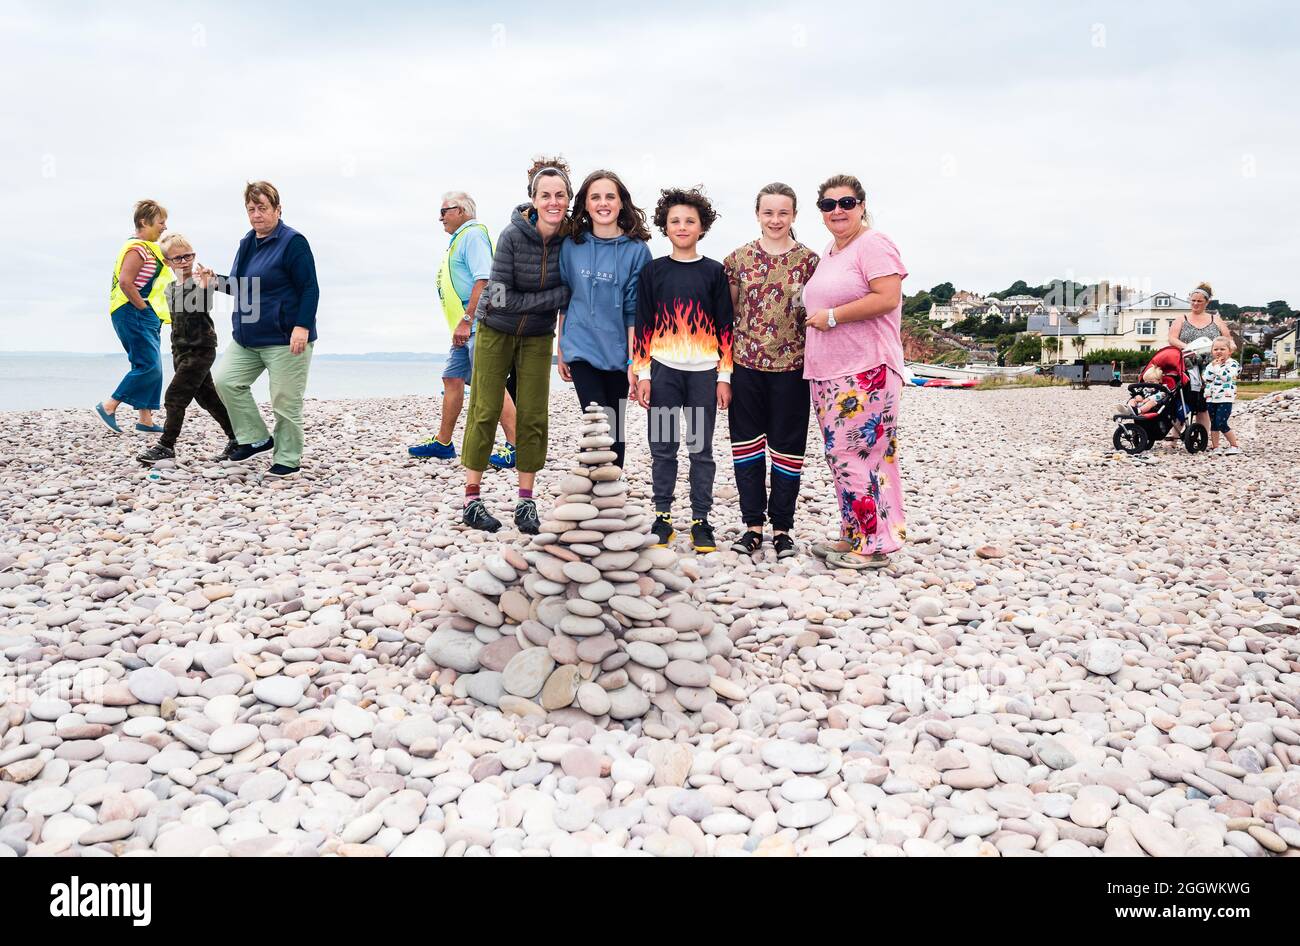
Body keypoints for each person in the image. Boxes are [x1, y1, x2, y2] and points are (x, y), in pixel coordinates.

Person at [460, 157, 573, 533]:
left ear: (568, 199)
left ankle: (526, 502)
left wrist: (553, 299)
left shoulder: (570, 241)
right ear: (533, 198)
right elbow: (499, 297)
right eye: (546, 195)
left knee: (533, 414)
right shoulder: (511, 235)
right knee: (485, 409)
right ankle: (472, 500)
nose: (553, 202)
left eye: (560, 195)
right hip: (496, 329)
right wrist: (555, 296)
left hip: (539, 337)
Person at [803, 174, 908, 570]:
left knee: (857, 452)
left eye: (846, 203)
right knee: (840, 455)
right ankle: (856, 533)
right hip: (830, 372)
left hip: (867, 368)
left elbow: (887, 297)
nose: (837, 211)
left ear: (862, 205)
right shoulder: (831, 251)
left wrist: (832, 316)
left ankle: (875, 544)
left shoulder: (874, 244)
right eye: (828, 205)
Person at [632, 186, 734, 554]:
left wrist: (724, 377)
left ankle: (700, 520)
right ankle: (662, 516)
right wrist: (642, 373)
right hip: (662, 374)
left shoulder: (714, 272)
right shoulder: (653, 271)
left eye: (690, 220)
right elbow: (643, 324)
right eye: (675, 220)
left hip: (704, 375)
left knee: (700, 449)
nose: (682, 226)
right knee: (662, 448)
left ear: (702, 226)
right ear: (665, 226)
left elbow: (726, 328)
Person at [723, 182, 820, 559]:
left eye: (783, 212)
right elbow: (726, 317)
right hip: (746, 366)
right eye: (769, 212)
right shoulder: (738, 260)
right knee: (746, 448)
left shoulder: (810, 262)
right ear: (758, 214)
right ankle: (752, 527)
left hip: (793, 368)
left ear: (794, 215)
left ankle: (782, 528)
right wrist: (722, 372)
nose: (775, 219)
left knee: (787, 451)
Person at [208, 181, 319, 478]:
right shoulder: (246, 243)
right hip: (247, 337)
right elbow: (238, 286)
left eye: (262, 208)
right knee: (225, 381)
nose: (256, 215)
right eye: (251, 209)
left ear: (277, 209)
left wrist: (302, 326)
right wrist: (213, 280)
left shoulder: (293, 242)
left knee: (285, 402)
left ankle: (288, 459)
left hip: (286, 338)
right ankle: (256, 438)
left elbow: (309, 287)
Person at [408, 191, 519, 467]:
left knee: (490, 383)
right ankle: (443, 443)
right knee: (452, 379)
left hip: (477, 325)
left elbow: (485, 279)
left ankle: (518, 447)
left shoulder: (473, 235)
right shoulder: (460, 239)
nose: (440, 217)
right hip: (463, 329)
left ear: (462, 210)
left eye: (444, 210)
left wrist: (468, 319)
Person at [557, 170, 653, 468]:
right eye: (595, 197)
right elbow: (565, 300)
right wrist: (560, 348)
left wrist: (634, 362)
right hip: (581, 347)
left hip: (618, 353)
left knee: (615, 424)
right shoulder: (571, 246)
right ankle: (590, 490)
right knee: (596, 419)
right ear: (585, 204)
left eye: (610, 196)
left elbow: (633, 310)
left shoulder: (637, 251)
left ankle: (610, 496)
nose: (603, 203)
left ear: (621, 203)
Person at [136, 234, 236, 465]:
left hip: (201, 349)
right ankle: (238, 438)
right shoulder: (170, 289)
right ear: (167, 262)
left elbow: (201, 307)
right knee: (208, 398)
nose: (184, 261)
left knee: (174, 396)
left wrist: (205, 286)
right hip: (180, 350)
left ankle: (166, 445)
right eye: (178, 258)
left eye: (188, 256)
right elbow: (177, 320)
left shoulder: (200, 282)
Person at [94, 200, 175, 434]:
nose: (164, 227)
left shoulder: (149, 248)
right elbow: (126, 282)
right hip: (133, 311)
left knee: (149, 363)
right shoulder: (137, 248)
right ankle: (108, 406)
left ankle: (145, 420)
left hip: (142, 313)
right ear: (144, 222)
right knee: (149, 366)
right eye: (161, 222)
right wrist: (143, 308)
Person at [1168, 282, 1234, 434]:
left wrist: (1229, 349)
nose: (1195, 304)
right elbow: (1172, 338)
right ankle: (1174, 436)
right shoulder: (1181, 319)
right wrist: (1189, 348)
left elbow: (1228, 339)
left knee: (1203, 405)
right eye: (1193, 300)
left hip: (1210, 367)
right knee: (1183, 401)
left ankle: (1202, 437)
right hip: (1187, 365)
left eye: (1199, 301)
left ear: (1207, 302)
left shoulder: (1215, 319)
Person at [1203, 337, 1242, 454]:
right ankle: (1216, 447)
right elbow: (1206, 378)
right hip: (1211, 398)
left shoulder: (1233, 364)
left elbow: (1227, 377)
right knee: (1214, 423)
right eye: (1215, 349)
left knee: (1221, 422)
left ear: (1229, 351)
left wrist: (1217, 368)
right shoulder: (1211, 364)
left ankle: (1234, 446)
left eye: (1222, 349)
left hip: (1225, 397)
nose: (1218, 351)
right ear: (1212, 352)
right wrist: (1213, 368)